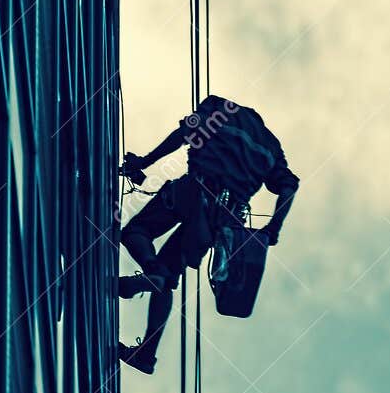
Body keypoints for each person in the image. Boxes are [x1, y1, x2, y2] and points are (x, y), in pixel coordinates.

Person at [118, 95, 299, 372]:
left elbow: (183, 133)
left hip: (196, 190)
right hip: (224, 219)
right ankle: (147, 354)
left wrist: (144, 162)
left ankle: (152, 271)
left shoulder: (216, 107)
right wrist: (275, 226)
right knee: (169, 277)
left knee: (136, 232)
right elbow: (289, 186)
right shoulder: (271, 145)